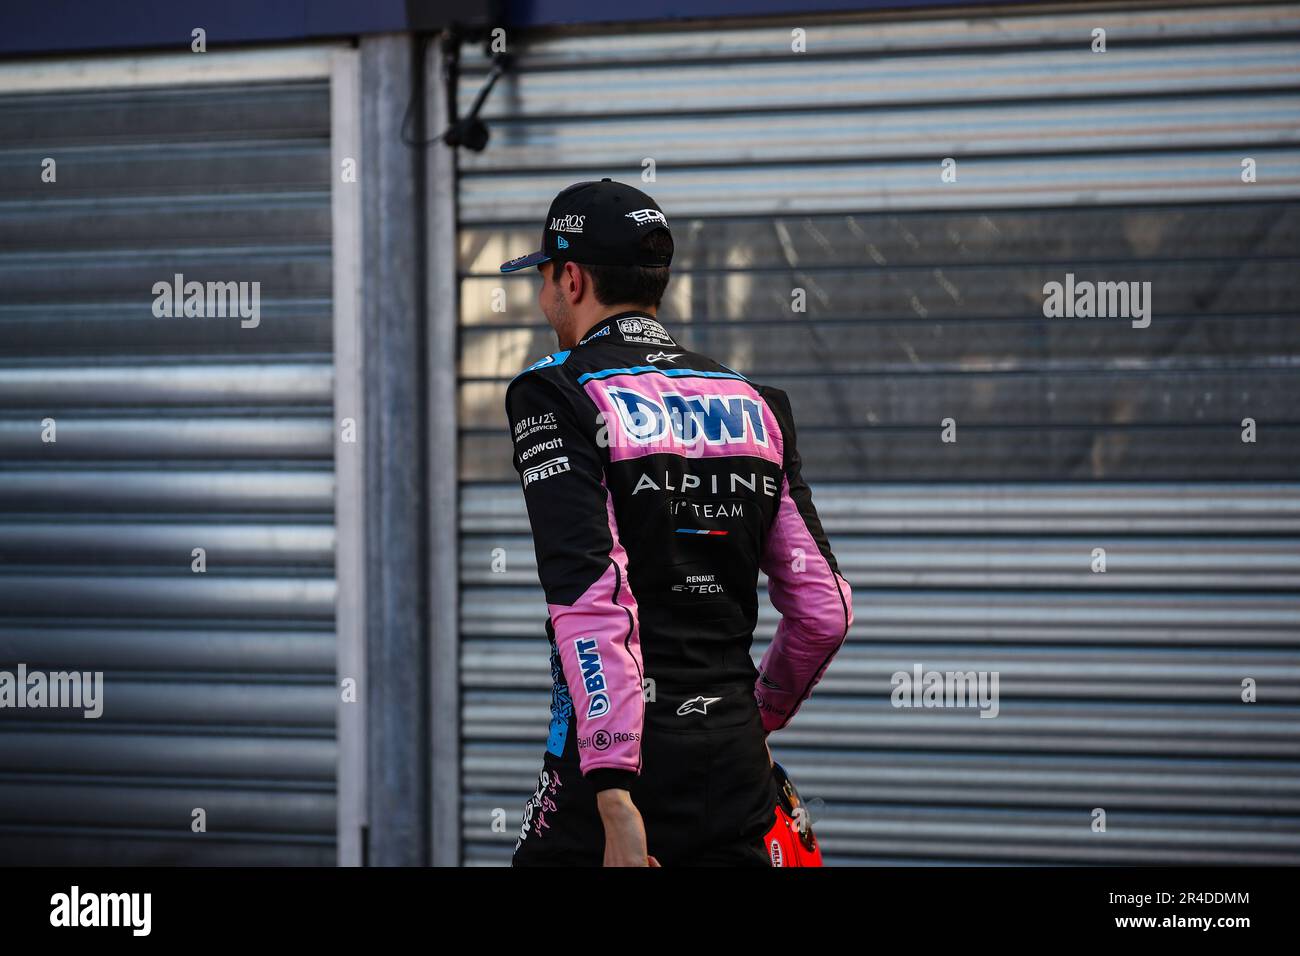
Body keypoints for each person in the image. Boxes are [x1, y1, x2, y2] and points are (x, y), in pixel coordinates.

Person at [502, 178, 853, 867]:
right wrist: (756, 720)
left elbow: (591, 597)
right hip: (734, 768)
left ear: (571, 278)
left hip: (616, 780)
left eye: (544, 277)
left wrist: (612, 795)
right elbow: (825, 610)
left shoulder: (555, 391)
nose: (543, 297)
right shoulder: (755, 400)